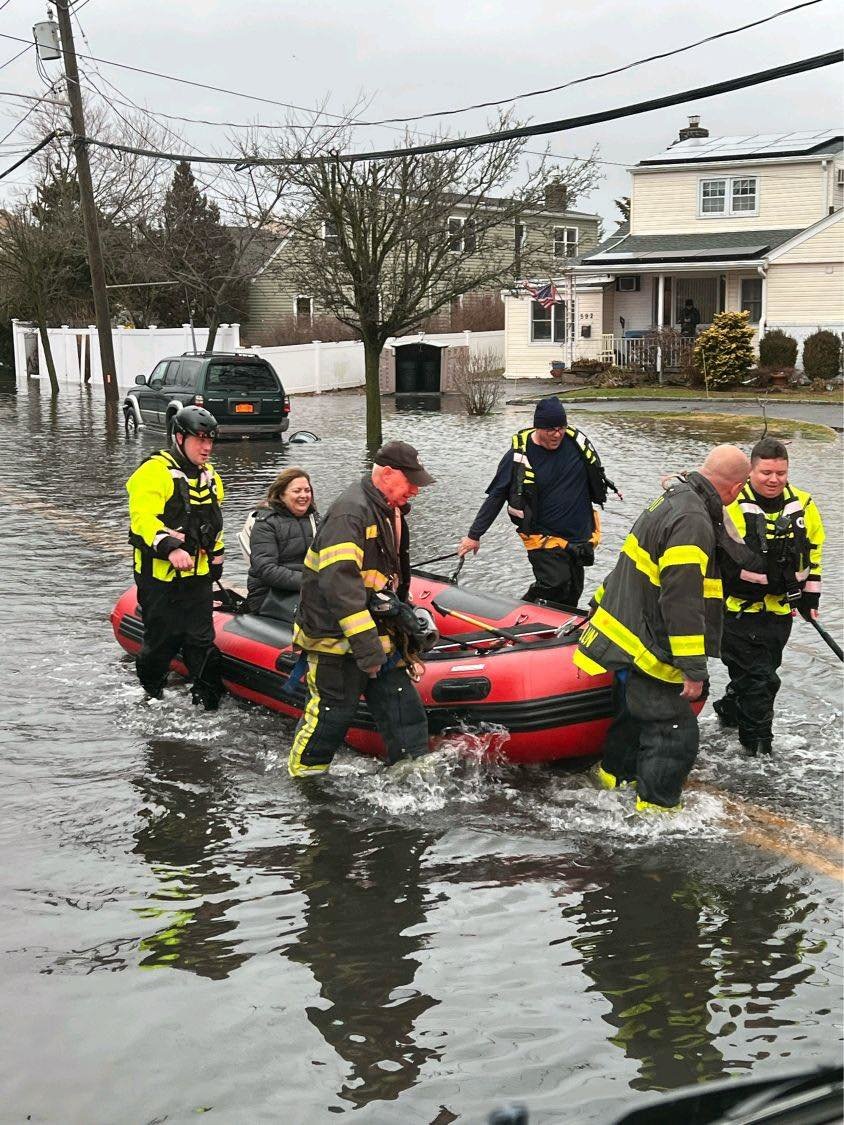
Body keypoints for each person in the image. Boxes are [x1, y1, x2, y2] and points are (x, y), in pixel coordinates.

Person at [574, 445, 751, 812]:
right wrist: (692, 668)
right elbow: (682, 599)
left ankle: (612, 778)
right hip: (650, 641)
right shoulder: (693, 521)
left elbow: (628, 563)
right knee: (674, 733)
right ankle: (657, 813)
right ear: (735, 489)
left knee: (634, 715)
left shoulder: (671, 501)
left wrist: (596, 604)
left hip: (627, 631)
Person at [288, 440, 435, 778]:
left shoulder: (387, 511)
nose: (415, 490)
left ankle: (415, 779)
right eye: (410, 482)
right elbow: (342, 590)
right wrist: (369, 651)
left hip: (376, 636)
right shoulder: (350, 513)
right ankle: (304, 781)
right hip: (335, 640)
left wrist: (404, 621)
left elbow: (386, 580)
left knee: (404, 710)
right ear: (386, 474)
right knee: (331, 716)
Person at [713, 437, 825, 756]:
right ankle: (758, 752)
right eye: (766, 473)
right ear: (751, 471)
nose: (774, 479)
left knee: (762, 674)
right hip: (737, 612)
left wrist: (810, 598)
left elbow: (813, 553)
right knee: (760, 682)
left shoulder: (803, 504)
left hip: (779, 614)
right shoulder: (730, 507)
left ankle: (729, 710)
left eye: (780, 472)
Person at [457, 396, 615, 609]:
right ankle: (517, 615)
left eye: (561, 427)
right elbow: (496, 495)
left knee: (572, 590)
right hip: (543, 536)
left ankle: (557, 634)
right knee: (554, 582)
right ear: (537, 427)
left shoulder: (576, 445)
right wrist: (474, 535)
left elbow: (596, 475)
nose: (557, 434)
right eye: (550, 429)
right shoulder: (518, 456)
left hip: (580, 535)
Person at [126, 405, 225, 709]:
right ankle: (152, 696)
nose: (207, 447)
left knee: (202, 642)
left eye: (210, 440)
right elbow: (142, 521)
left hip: (197, 577)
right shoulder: (153, 473)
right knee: (161, 644)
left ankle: (208, 705)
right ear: (179, 438)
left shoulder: (211, 477)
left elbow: (213, 524)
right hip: (159, 579)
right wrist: (171, 547)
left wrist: (217, 558)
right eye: (200, 440)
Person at [245, 467, 320, 616]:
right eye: (297, 491)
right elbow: (266, 570)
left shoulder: (315, 519)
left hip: (307, 588)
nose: (304, 495)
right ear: (281, 494)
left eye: (307, 490)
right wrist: (310, 582)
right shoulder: (266, 523)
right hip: (270, 594)